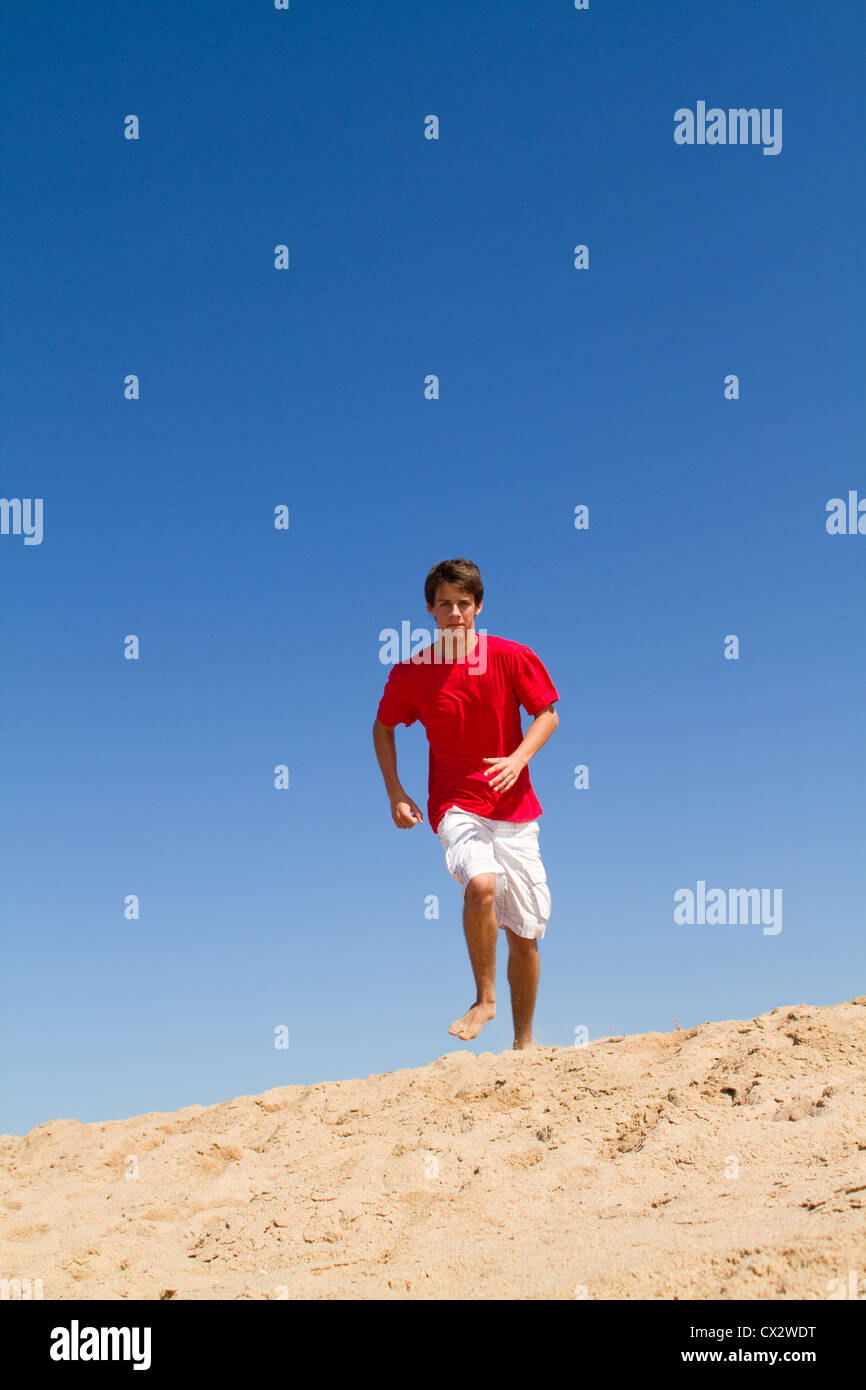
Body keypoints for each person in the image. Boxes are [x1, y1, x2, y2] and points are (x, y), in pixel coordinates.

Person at [372, 557, 559, 1050]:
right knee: (480, 885)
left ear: (479, 606)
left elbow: (547, 714)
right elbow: (384, 727)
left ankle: (524, 1044)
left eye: (463, 603)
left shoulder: (513, 656)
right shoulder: (412, 673)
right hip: (456, 804)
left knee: (525, 933)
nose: (454, 613)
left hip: (516, 809)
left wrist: (519, 759)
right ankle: (485, 999)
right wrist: (396, 790)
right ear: (430, 611)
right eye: (444, 605)